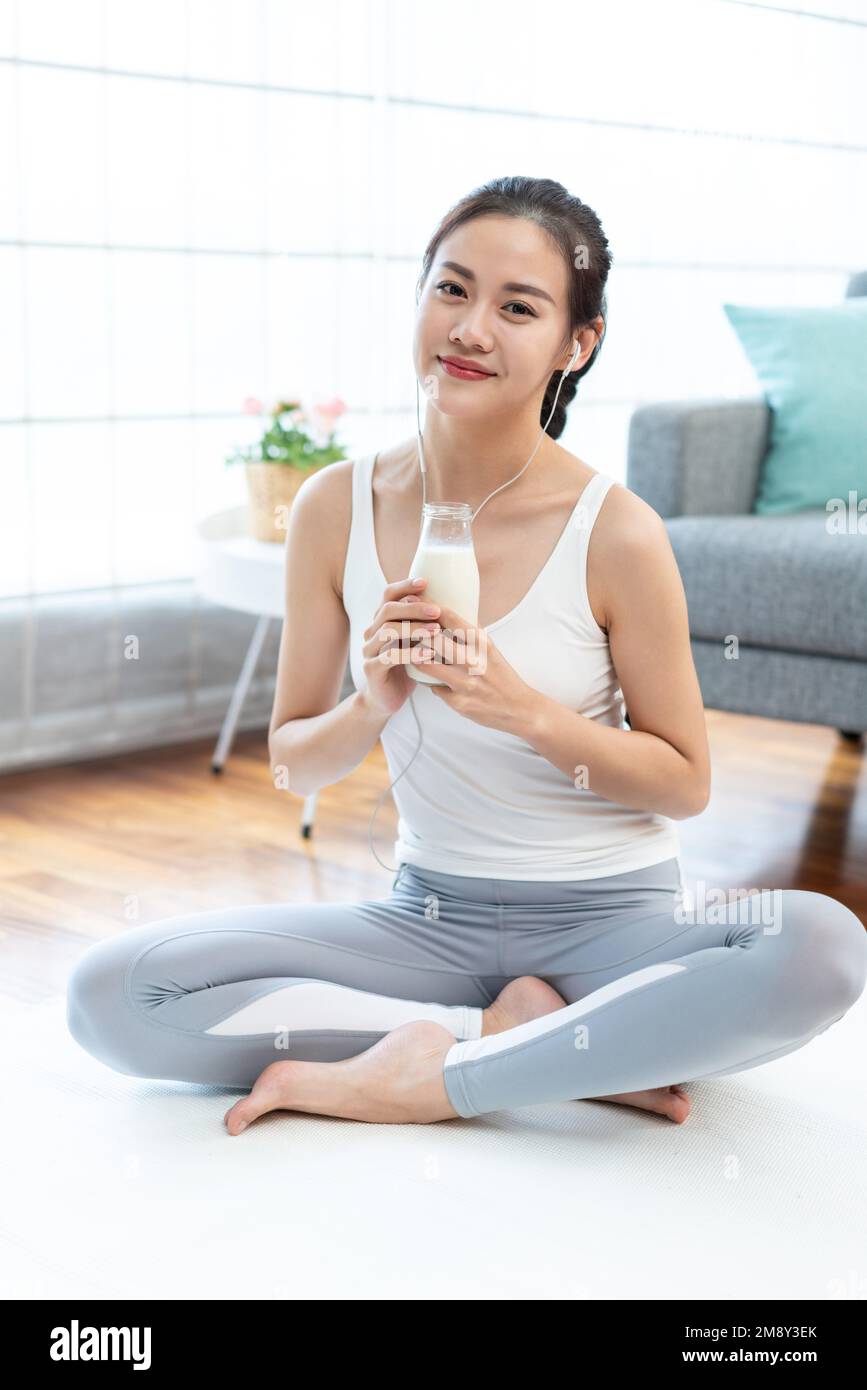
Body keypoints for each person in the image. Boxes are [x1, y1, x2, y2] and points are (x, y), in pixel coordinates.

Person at [66, 176, 867, 1134]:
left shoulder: (616, 532)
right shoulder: (331, 509)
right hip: (424, 921)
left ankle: (435, 1080)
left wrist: (520, 707)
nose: (470, 328)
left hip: (613, 922)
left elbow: (684, 783)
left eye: (516, 307)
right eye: (451, 289)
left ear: (579, 344)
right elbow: (291, 759)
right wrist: (371, 702)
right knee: (115, 993)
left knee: (821, 947)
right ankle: (524, 1036)